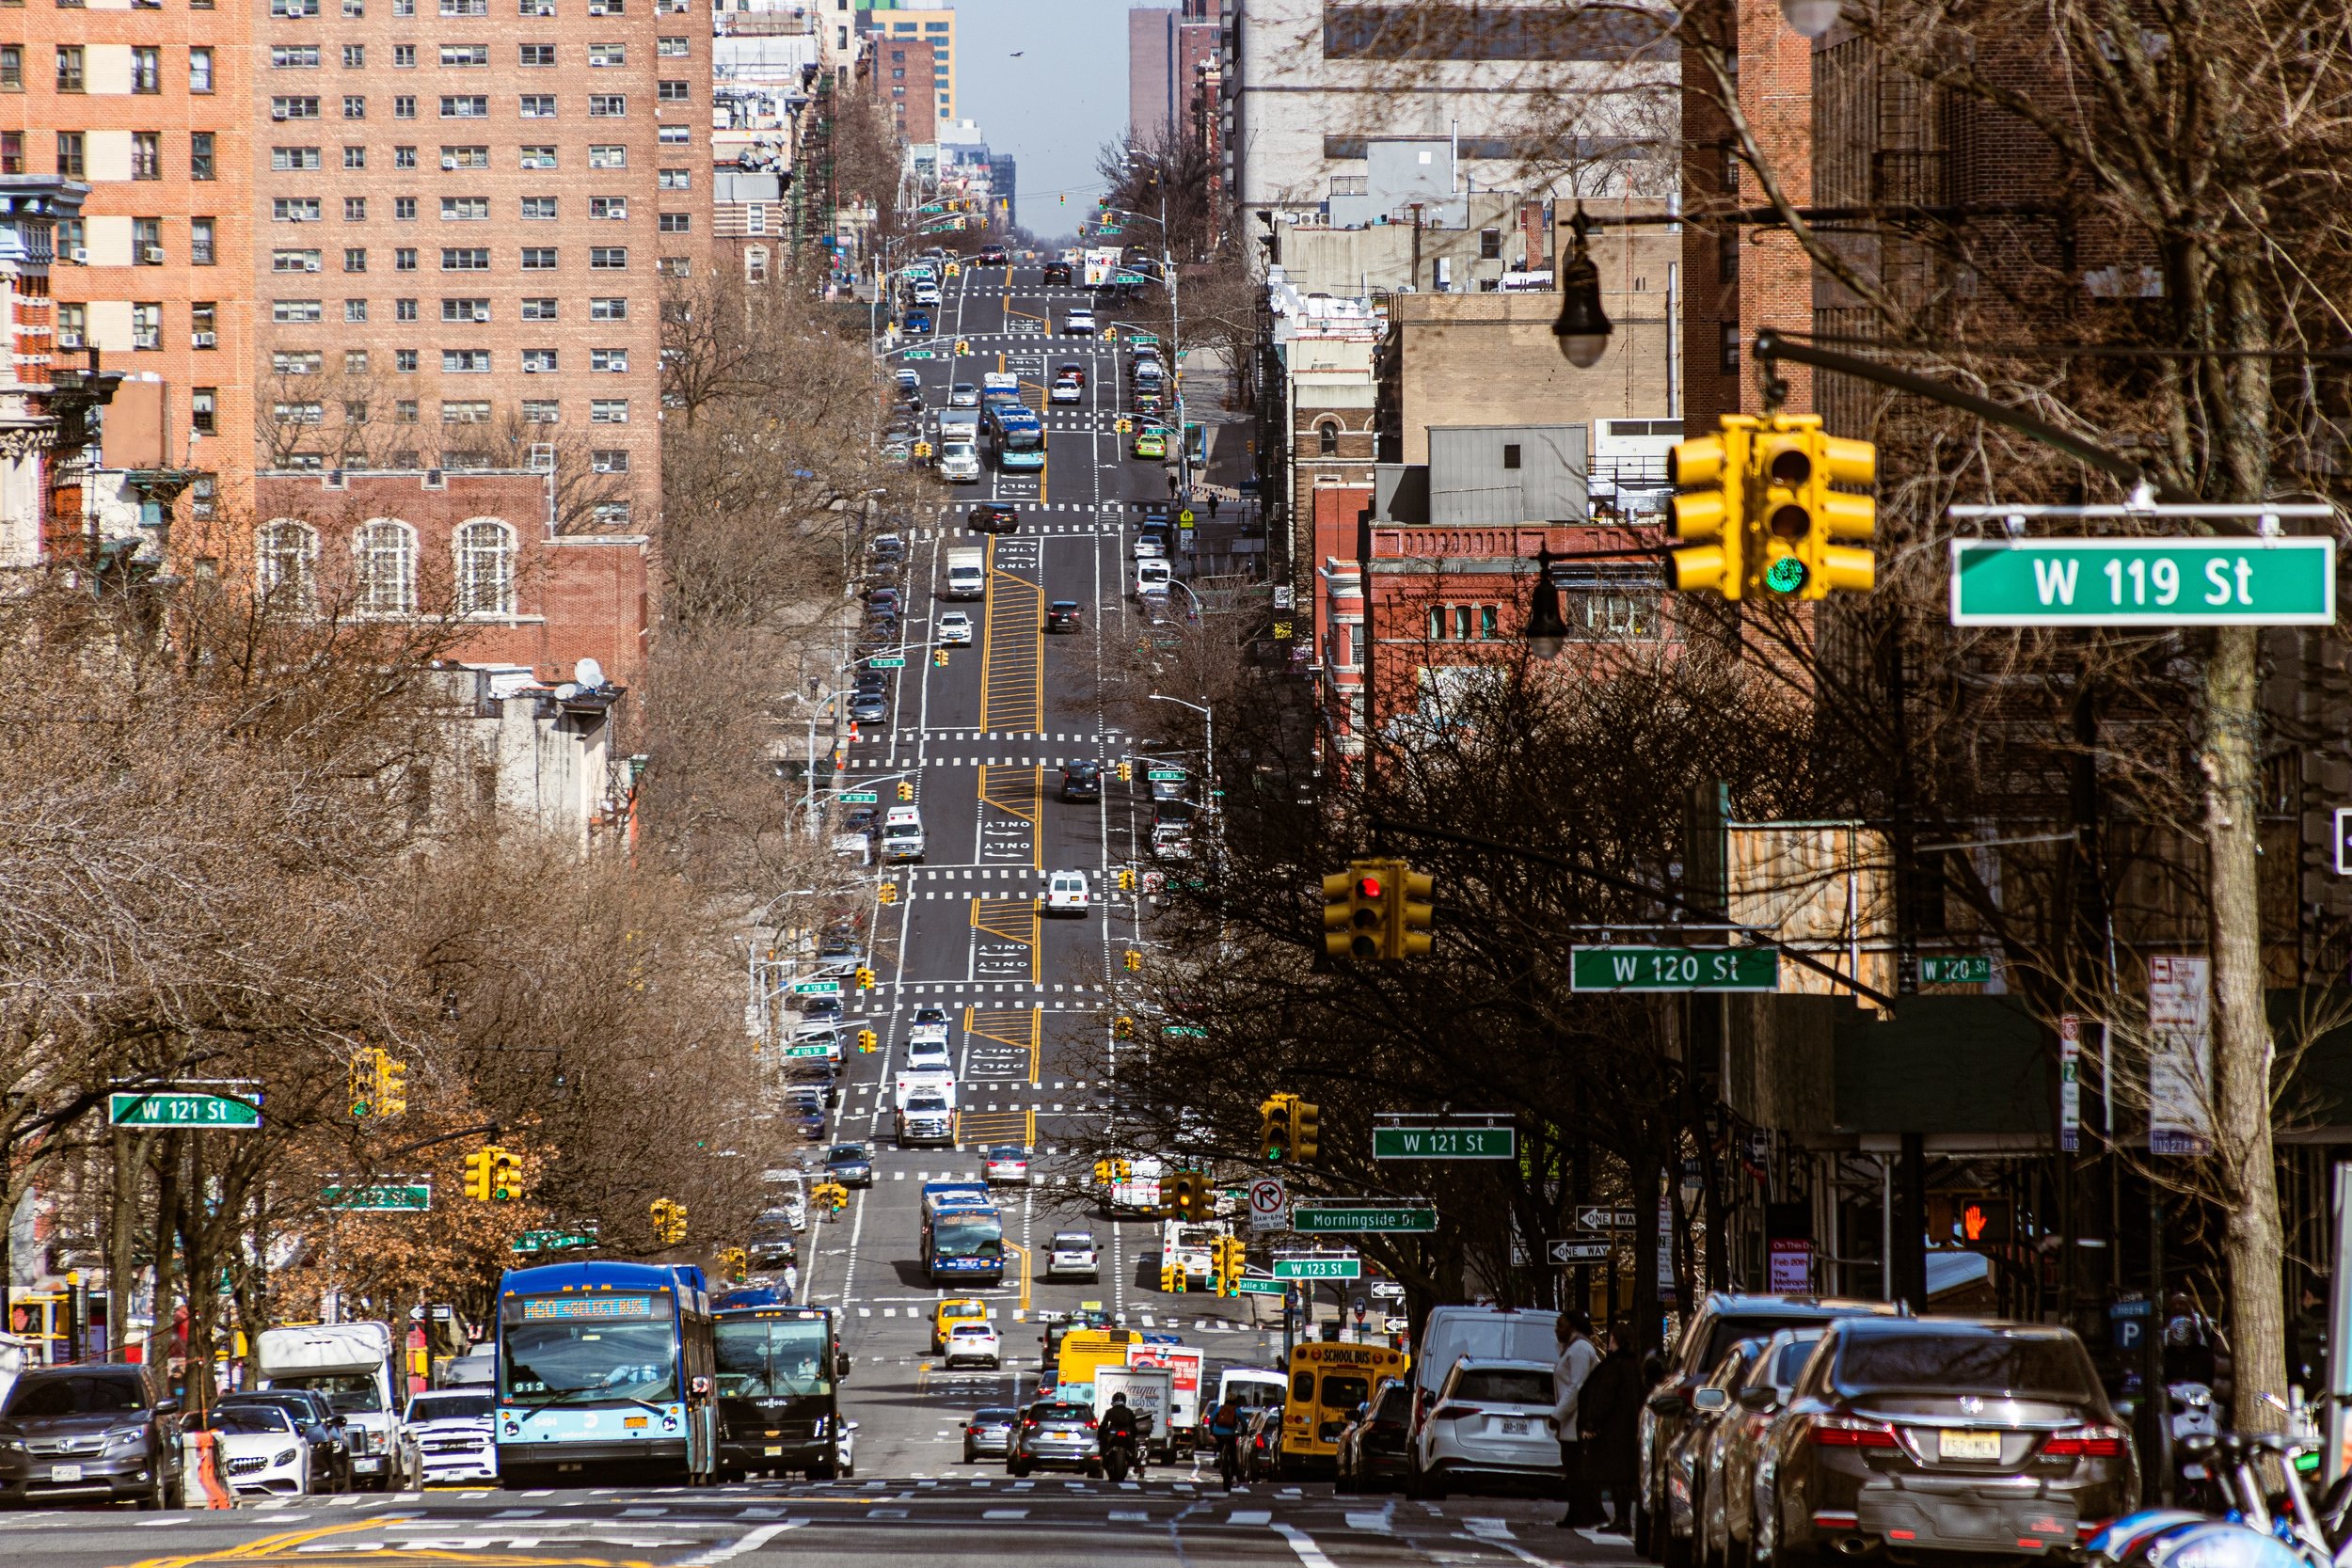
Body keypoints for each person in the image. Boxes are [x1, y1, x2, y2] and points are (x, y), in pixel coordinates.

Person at [1578, 1321, 1644, 1532]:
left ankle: (1622, 1519)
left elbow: (1605, 1397)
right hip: (1629, 1427)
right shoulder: (1634, 1366)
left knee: (1617, 1477)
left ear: (1614, 1339)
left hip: (1614, 1429)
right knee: (1623, 1477)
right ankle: (1622, 1518)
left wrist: (1592, 1422)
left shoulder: (1614, 1366)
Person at [1553, 1310, 1604, 1529]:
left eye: (1561, 1325)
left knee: (1578, 1471)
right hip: (1571, 1422)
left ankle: (1586, 1513)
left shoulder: (1581, 1350)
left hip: (1577, 1422)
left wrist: (1557, 1414)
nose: (1557, 1329)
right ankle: (1579, 1512)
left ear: (1573, 1327)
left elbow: (1577, 1386)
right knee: (1574, 1471)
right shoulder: (1573, 1349)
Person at [1099, 1390, 1145, 1477]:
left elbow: (1103, 1424)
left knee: (1103, 1444)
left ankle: (1104, 1457)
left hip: (1114, 1434)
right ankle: (1134, 1461)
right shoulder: (1129, 1412)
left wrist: (1099, 1435)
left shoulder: (1110, 1411)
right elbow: (1133, 1426)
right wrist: (1134, 1434)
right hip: (1125, 1434)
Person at [1207, 1395, 1245, 1490]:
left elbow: (1211, 1420)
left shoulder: (1219, 1409)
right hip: (1230, 1434)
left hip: (1218, 1433)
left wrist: (1211, 1431)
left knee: (1219, 1447)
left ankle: (1218, 1457)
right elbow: (1244, 1423)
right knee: (1233, 1455)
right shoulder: (1237, 1410)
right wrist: (1244, 1432)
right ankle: (1234, 1475)